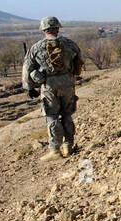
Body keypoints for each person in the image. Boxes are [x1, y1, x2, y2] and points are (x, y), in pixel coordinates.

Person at [22, 16, 83, 161]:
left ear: (44, 30)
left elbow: (27, 68)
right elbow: (79, 62)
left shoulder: (36, 48)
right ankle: (68, 145)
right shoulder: (70, 44)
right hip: (68, 83)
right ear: (58, 28)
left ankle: (55, 150)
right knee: (67, 114)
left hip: (49, 85)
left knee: (51, 116)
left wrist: (29, 87)